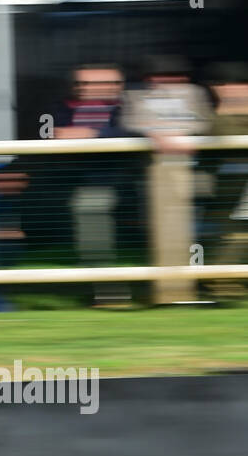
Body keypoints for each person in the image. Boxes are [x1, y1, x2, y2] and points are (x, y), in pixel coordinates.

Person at [123, 56, 212, 304]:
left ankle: (192, 287)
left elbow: (206, 122)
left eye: (177, 76)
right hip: (154, 173)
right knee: (159, 230)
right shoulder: (135, 96)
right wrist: (156, 133)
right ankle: (168, 291)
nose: (171, 81)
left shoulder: (195, 93)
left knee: (194, 230)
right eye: (164, 76)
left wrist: (182, 134)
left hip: (192, 173)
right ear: (149, 79)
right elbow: (129, 122)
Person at [47, 64, 133, 306]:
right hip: (72, 182)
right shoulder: (56, 109)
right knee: (90, 211)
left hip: (134, 179)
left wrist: (94, 134)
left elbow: (144, 130)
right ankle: (108, 292)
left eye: (108, 83)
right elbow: (44, 134)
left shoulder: (136, 105)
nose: (96, 89)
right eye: (87, 83)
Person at [202, 63, 248, 301]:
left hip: (239, 191)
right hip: (221, 188)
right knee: (235, 234)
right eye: (233, 85)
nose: (240, 90)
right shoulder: (208, 116)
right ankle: (219, 282)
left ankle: (221, 281)